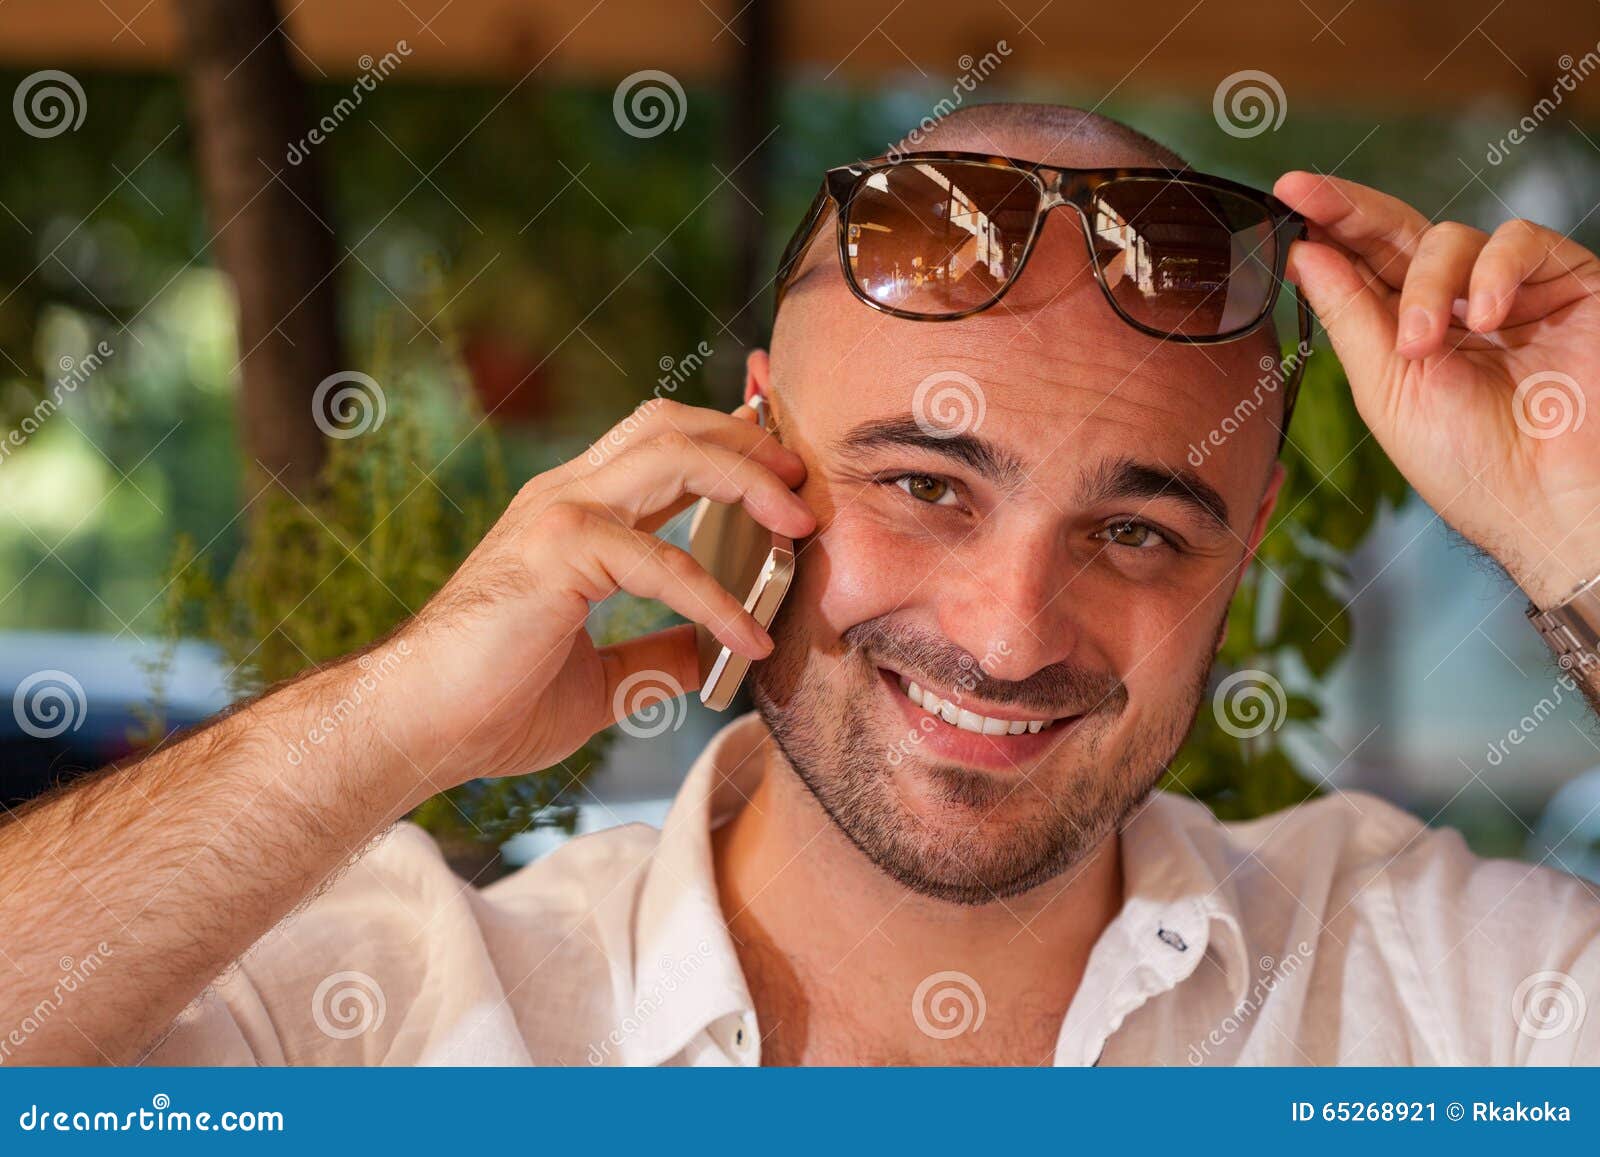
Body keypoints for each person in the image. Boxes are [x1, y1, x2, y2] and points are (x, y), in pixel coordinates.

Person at [3, 103, 1598, 1067]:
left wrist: (1585, 533)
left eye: (1136, 533)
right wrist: (393, 718)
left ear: (1246, 551)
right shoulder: (406, 1009)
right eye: (923, 487)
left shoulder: (1452, 1003)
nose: (1004, 631)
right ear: (748, 455)